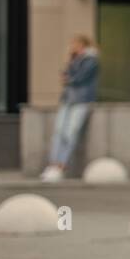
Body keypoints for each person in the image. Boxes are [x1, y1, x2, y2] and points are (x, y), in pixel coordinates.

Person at [40, 35, 99, 182]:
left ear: (83, 45)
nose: (72, 47)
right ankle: (53, 165)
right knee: (59, 132)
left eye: (75, 44)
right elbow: (65, 75)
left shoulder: (91, 60)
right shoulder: (74, 59)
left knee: (70, 133)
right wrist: (71, 60)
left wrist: (69, 77)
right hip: (67, 100)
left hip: (82, 100)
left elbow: (78, 78)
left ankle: (61, 166)